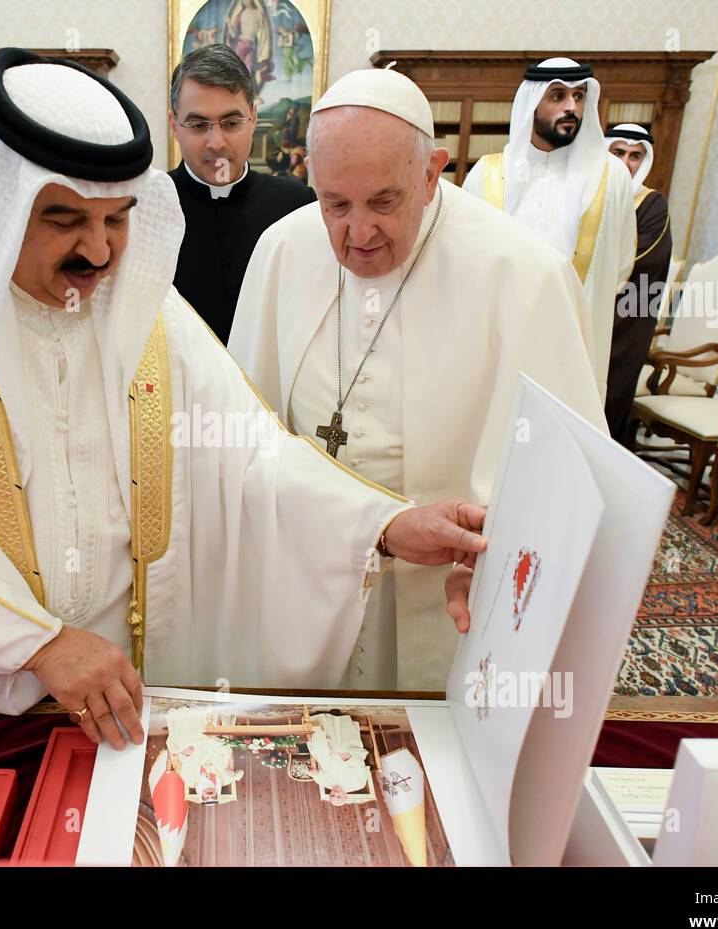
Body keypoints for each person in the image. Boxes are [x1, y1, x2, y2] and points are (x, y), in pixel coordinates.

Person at [0, 49, 487, 743]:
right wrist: (35, 642)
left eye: (117, 219)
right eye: (65, 219)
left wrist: (385, 524)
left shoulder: (140, 308)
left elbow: (251, 455)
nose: (99, 253)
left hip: (116, 696)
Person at [230, 67, 606, 689]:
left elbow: (566, 477)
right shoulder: (282, 251)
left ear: (432, 172)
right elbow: (242, 439)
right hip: (310, 573)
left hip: (446, 595)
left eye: (384, 201)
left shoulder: (523, 274)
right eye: (335, 204)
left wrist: (504, 560)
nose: (358, 233)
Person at [462, 58, 636, 396]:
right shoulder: (488, 174)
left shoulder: (610, 177)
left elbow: (621, 265)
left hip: (572, 341)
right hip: (501, 339)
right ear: (532, 102)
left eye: (579, 96)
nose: (572, 107)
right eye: (557, 96)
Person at [168, 44, 315, 341]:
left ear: (254, 119)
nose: (216, 142)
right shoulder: (144, 207)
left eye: (231, 123)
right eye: (198, 125)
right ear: (174, 125)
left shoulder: (298, 206)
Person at [604, 123, 673, 442]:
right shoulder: (592, 195)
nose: (625, 161)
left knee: (610, 393)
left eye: (635, 156)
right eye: (618, 152)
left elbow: (645, 256)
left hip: (627, 316)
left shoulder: (651, 203)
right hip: (584, 303)